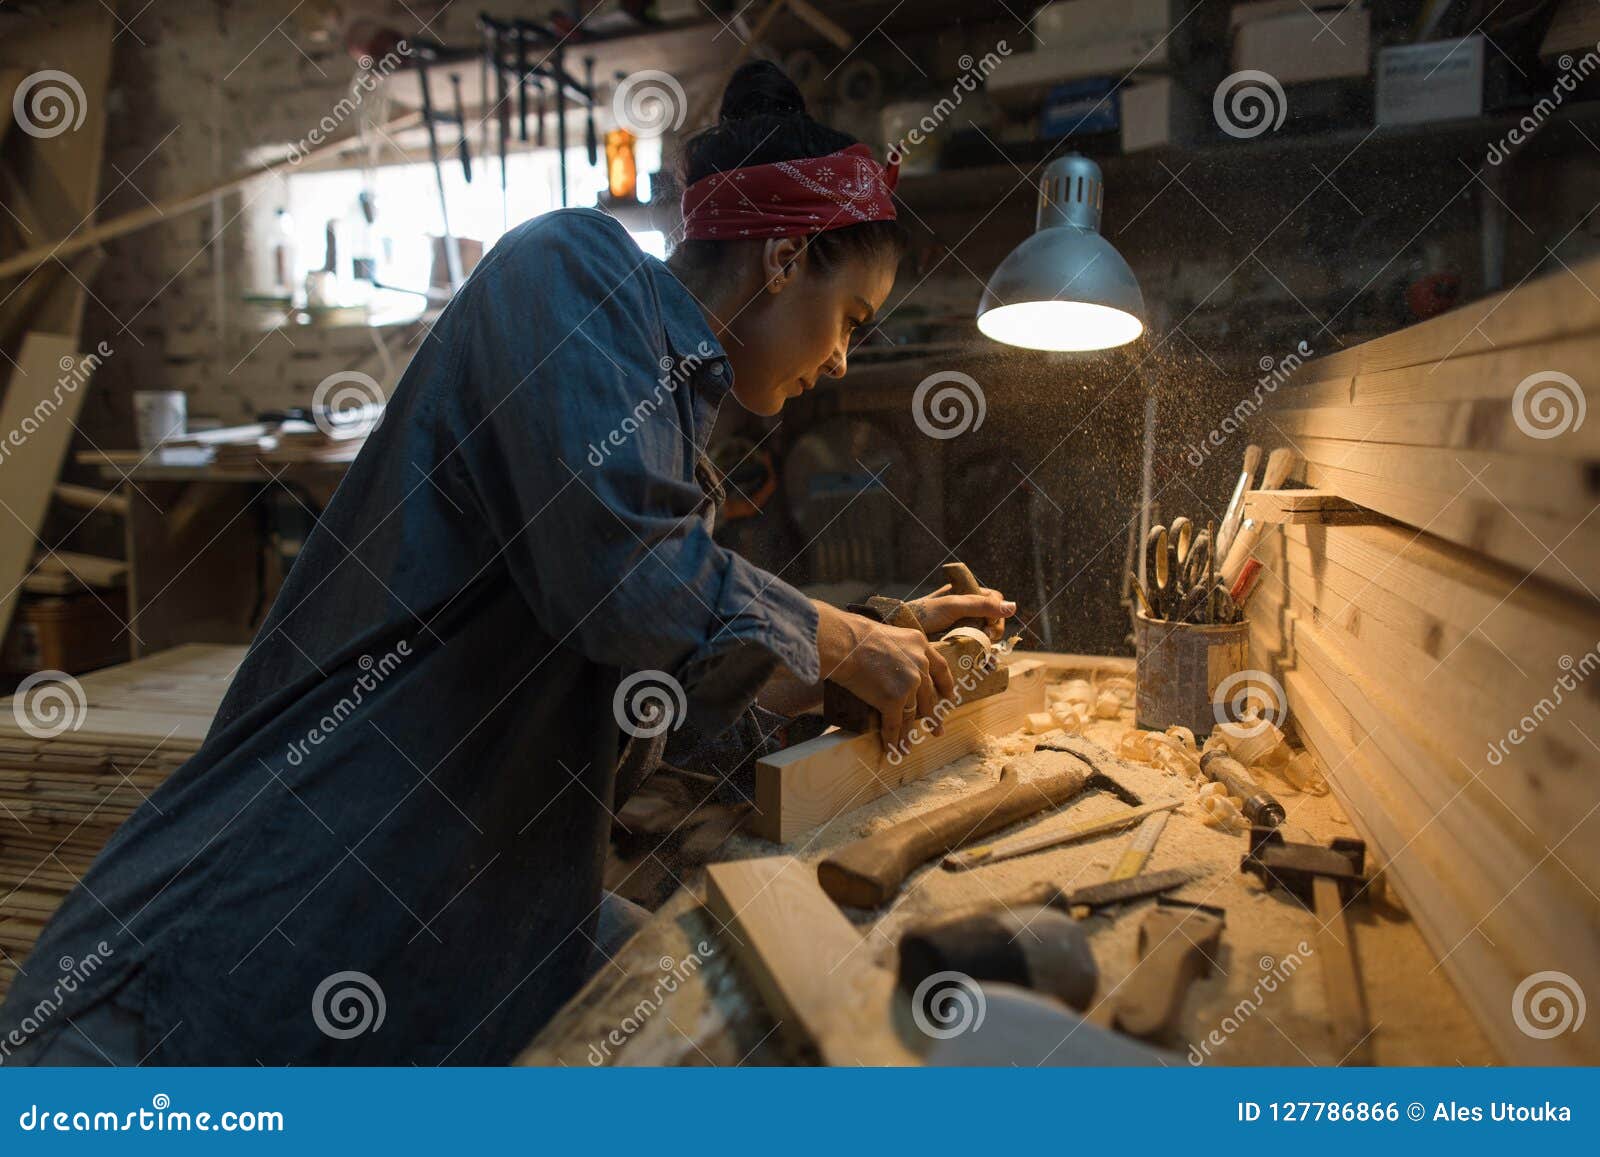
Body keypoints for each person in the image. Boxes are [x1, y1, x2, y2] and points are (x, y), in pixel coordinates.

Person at [0, 62, 1012, 1066]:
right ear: (787, 256)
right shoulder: (569, 269)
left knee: (711, 999)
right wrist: (837, 639)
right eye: (852, 321)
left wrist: (865, 659)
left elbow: (652, 689)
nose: (840, 361)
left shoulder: (655, 427)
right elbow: (629, 585)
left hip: (433, 932)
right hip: (222, 961)